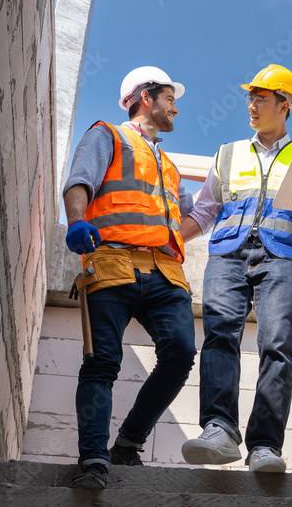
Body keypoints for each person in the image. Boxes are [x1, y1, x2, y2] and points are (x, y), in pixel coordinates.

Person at [179, 64, 292, 472]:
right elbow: (204, 212)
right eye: (250, 97)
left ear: (285, 106)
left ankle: (265, 446)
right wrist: (165, 240)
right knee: (219, 337)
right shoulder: (227, 154)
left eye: (261, 98)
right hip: (227, 255)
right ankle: (220, 429)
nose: (251, 104)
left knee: (279, 347)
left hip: (281, 258)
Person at [63, 66, 197, 489]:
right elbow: (79, 180)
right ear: (146, 97)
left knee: (179, 353)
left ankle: (128, 443)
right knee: (102, 362)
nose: (175, 106)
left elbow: (194, 213)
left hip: (164, 273)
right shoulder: (108, 135)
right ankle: (94, 461)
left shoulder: (168, 166)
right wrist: (75, 221)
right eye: (169, 98)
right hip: (112, 263)